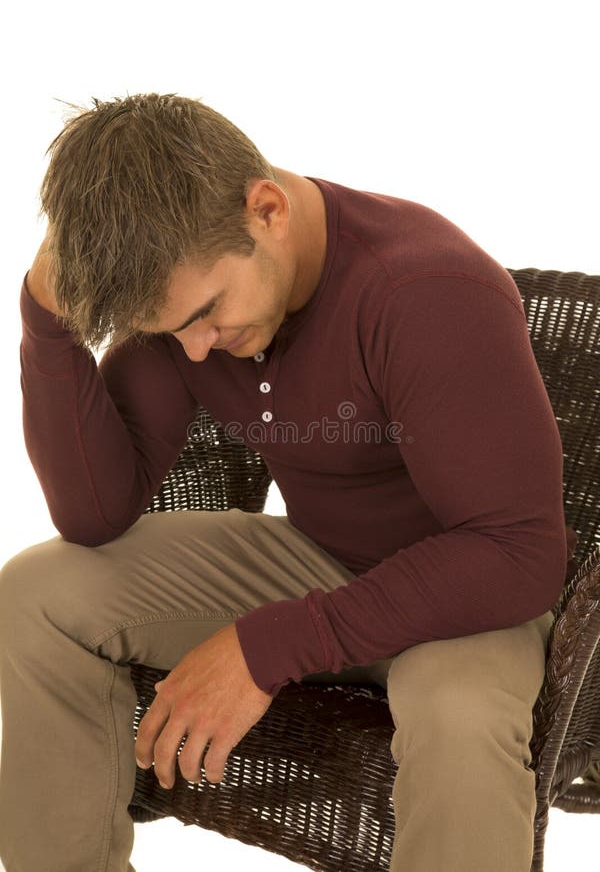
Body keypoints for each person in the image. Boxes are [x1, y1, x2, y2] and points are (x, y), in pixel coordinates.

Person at [0, 92, 574, 872]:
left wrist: (266, 647)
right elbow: (94, 513)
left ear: (266, 208)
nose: (197, 352)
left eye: (207, 313)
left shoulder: (426, 292)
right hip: (318, 560)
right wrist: (45, 319)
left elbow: (518, 554)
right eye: (173, 331)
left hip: (467, 598)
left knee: (459, 712)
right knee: (38, 591)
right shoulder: (188, 297)